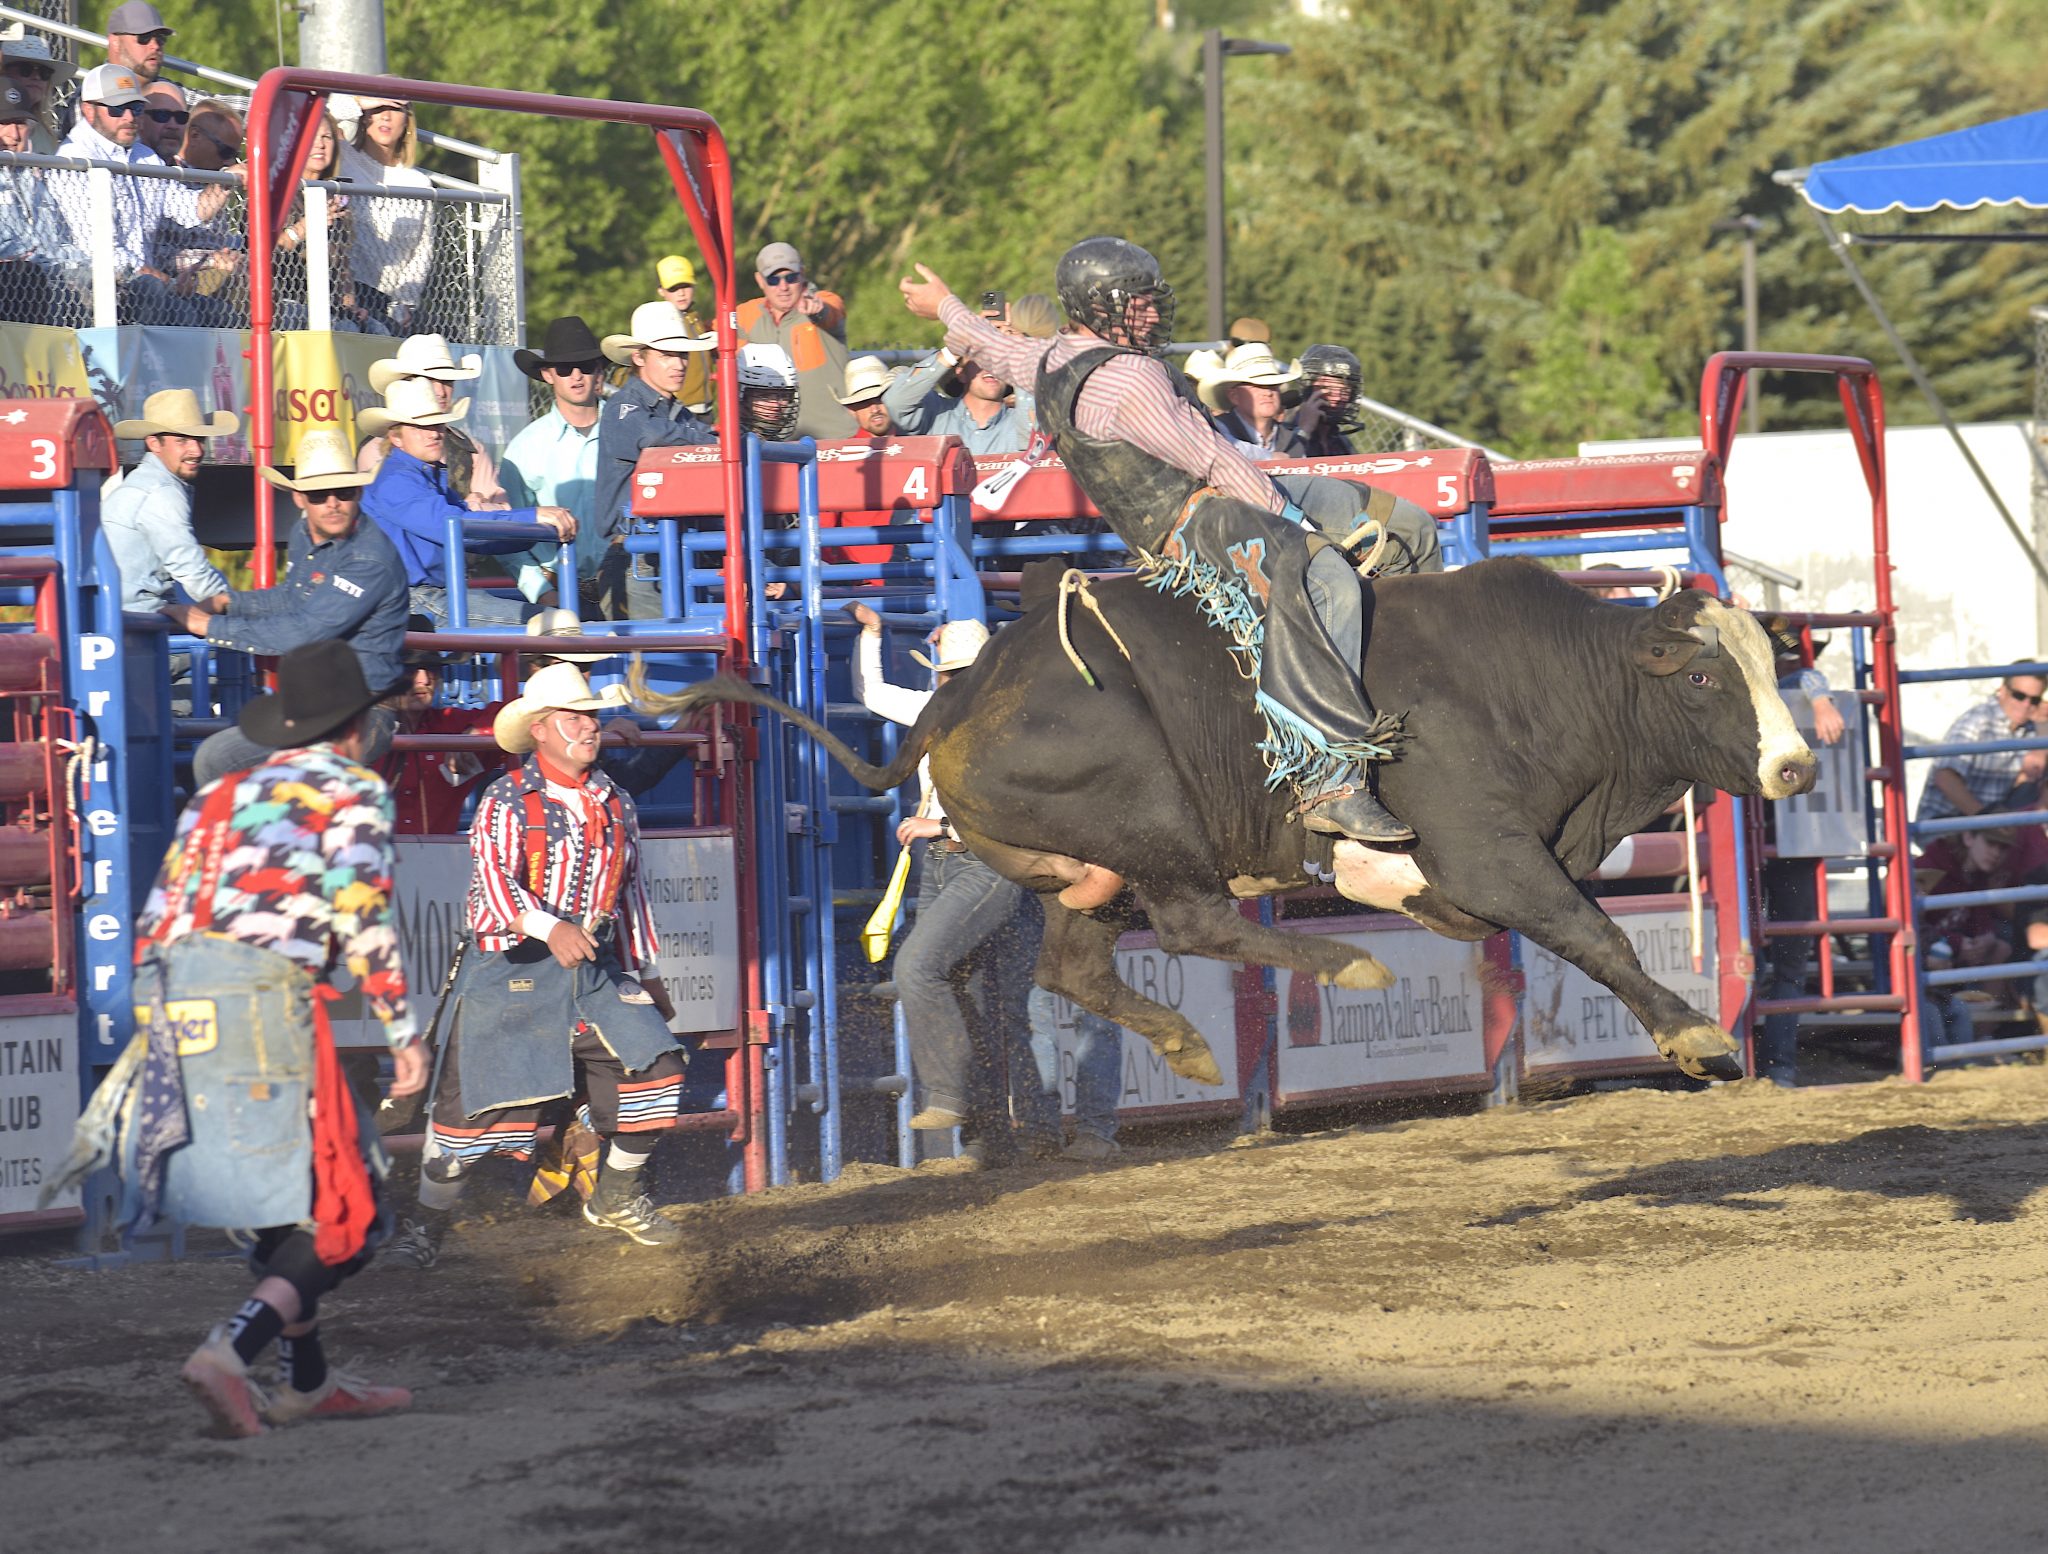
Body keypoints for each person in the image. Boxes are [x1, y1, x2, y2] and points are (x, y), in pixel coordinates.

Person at [899, 236, 1411, 845]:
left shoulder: (1055, 360)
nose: (1152, 312)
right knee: (1324, 577)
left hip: (1198, 503)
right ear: (1100, 306)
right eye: (1138, 302)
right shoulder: (1130, 378)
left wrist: (947, 306)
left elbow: (994, 345)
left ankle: (1401, 681)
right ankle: (1330, 780)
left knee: (1392, 517)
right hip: (1197, 520)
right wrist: (1295, 522)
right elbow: (1212, 462)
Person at [123, 639, 423, 1436]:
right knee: (351, 1211)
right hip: (262, 1002)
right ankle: (229, 1351)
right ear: (358, 727)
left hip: (178, 1006)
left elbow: (158, 920)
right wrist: (403, 1032)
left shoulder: (217, 798)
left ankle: (307, 1383)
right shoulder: (352, 790)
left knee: (287, 1208)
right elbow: (364, 913)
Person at [392, 661, 689, 1266]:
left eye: (590, 716)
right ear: (542, 730)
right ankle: (425, 1226)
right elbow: (491, 889)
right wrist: (550, 927)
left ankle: (617, 1196)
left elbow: (629, 891)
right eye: (574, 717)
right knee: (466, 1118)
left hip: (594, 970)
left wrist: (649, 972)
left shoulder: (614, 800)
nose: (589, 726)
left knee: (657, 1066)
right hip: (511, 969)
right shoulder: (505, 799)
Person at [178, 427, 410, 786]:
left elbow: (305, 630)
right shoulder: (308, 535)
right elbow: (292, 598)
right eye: (319, 494)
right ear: (300, 499)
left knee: (220, 758)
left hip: (361, 714)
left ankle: (239, 839)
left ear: (359, 493)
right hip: (320, 708)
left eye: (343, 492)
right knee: (221, 758)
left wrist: (209, 626)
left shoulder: (369, 558)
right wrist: (229, 602)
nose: (332, 503)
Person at [358, 375, 575, 629]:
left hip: (434, 597)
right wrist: (533, 519)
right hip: (415, 600)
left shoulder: (425, 476)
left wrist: (536, 530)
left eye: (437, 424)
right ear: (396, 437)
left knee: (551, 624)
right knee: (554, 624)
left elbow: (471, 529)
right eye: (419, 427)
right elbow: (454, 526)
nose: (433, 433)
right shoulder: (396, 481)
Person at [1755, 622, 1849, 1085]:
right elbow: (1804, 679)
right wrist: (1818, 694)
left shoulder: (1783, 690)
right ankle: (1773, 1064)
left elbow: (1803, 680)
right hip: (1768, 839)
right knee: (1769, 956)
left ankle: (1776, 1064)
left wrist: (1818, 695)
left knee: (1785, 955)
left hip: (1781, 840)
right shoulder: (1762, 690)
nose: (1784, 662)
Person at [593, 299, 715, 620]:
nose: (679, 364)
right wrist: (714, 442)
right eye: (667, 355)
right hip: (635, 558)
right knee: (669, 652)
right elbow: (653, 438)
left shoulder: (680, 416)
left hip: (676, 553)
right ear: (639, 357)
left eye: (682, 354)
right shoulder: (623, 408)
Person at [54, 62, 197, 324]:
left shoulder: (144, 155)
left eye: (136, 108)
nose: (129, 117)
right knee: (164, 301)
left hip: (143, 283)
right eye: (117, 108)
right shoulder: (74, 157)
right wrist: (163, 279)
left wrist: (226, 183)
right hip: (92, 285)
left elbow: (188, 209)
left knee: (207, 311)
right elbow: (100, 250)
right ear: (89, 110)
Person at [103, 388, 234, 615]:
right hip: (136, 619)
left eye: (200, 439)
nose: (196, 450)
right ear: (154, 444)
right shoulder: (160, 490)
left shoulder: (147, 482)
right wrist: (237, 610)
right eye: (182, 440)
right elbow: (190, 568)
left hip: (124, 613)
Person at [504, 316, 606, 598]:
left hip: (628, 585)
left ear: (598, 371)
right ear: (547, 374)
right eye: (564, 368)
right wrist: (541, 592)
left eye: (585, 366)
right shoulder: (524, 447)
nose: (576, 375)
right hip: (559, 589)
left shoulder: (628, 430)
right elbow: (506, 530)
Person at [357, 334, 507, 507]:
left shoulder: (471, 450)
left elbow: (503, 509)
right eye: (428, 381)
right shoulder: (376, 452)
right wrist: (470, 509)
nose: (441, 391)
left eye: (447, 381)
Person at [739, 240, 855, 440]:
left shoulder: (824, 300)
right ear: (760, 281)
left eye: (790, 277)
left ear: (802, 273)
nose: (783, 287)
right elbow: (711, 331)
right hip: (780, 446)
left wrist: (818, 311)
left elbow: (832, 311)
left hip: (836, 440)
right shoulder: (747, 314)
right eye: (773, 280)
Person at [336, 91, 432, 334]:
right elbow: (313, 119)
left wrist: (404, 303)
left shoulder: (419, 183)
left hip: (393, 306)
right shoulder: (343, 157)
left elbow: (422, 252)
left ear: (407, 119)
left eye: (395, 108)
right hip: (346, 294)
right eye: (378, 109)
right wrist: (359, 101)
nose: (385, 116)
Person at [0, 81, 89, 324]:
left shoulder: (38, 176)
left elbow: (61, 241)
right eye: (4, 123)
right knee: (26, 276)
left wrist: (86, 268)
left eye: (20, 123)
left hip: (53, 282)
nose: (14, 134)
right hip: (14, 289)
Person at [1915, 666, 2048, 824]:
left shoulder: (2030, 728)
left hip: (1991, 825)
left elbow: (2030, 777)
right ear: (2003, 691)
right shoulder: (1978, 721)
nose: (2026, 704)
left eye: (2034, 700)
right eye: (2019, 696)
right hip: (1948, 822)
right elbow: (1945, 777)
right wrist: (1985, 821)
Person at [883, 346, 1030, 454]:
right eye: (980, 358)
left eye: (1000, 359)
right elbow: (895, 401)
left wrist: (1022, 348)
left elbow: (1037, 440)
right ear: (961, 373)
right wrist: (957, 344)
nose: (991, 366)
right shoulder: (934, 414)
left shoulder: (1024, 421)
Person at [1200, 341, 1306, 459]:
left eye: (1273, 385)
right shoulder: (1217, 431)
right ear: (1234, 396)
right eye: (1257, 386)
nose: (1268, 392)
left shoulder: (1292, 441)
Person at [1, 28, 74, 154]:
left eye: (44, 73)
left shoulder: (46, 134)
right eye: (26, 70)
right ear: (4, 72)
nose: (36, 77)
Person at [653, 252, 711, 411]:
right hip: (679, 408)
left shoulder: (695, 319)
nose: (681, 293)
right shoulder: (661, 322)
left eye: (686, 286)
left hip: (706, 407)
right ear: (661, 291)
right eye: (673, 288)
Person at [1288, 344, 1366, 458]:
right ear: (1309, 387)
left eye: (1344, 391)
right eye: (1329, 389)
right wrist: (1304, 430)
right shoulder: (1284, 434)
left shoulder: (1341, 443)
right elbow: (1285, 467)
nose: (1338, 398)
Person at [104, 0, 172, 83]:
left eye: (160, 38)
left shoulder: (178, 93)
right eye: (144, 37)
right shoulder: (92, 91)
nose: (155, 46)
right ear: (115, 42)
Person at [837, 355, 896, 437]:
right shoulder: (847, 449)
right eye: (864, 402)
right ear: (852, 410)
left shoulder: (918, 441)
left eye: (880, 399)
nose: (875, 410)